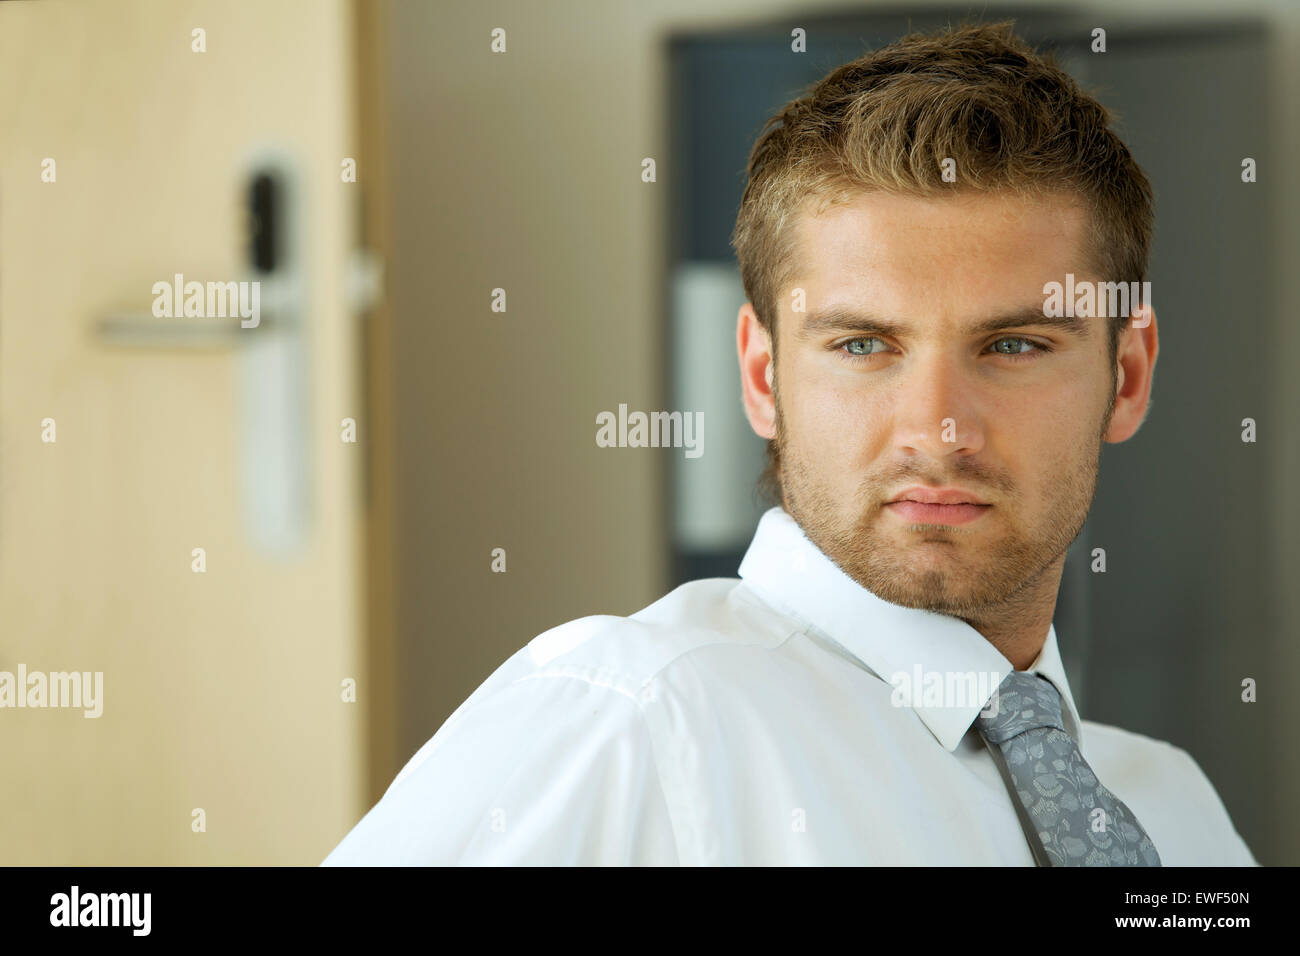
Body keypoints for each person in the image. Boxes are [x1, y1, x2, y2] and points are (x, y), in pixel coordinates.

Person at [322, 20, 1255, 866]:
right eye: (862, 346)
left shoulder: (1175, 812)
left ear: (1126, 376)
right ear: (764, 378)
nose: (938, 430)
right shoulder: (633, 725)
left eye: (1012, 345)